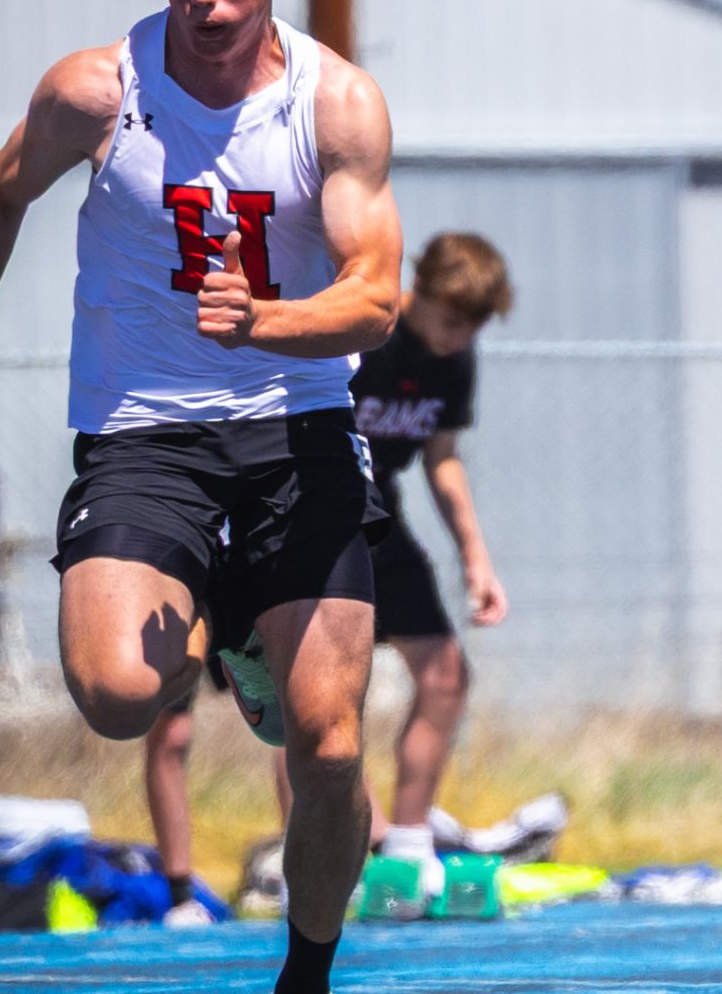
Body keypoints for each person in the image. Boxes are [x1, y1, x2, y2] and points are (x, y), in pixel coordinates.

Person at [0, 0, 402, 994]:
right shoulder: (97, 91)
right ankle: (230, 637)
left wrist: (267, 323)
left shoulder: (334, 106)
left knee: (330, 746)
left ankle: (306, 983)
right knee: (116, 694)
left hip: (295, 430)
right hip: (144, 431)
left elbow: (376, 296)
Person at [143, 231, 514, 920]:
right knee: (310, 697)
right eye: (451, 322)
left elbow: (442, 457)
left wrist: (476, 558)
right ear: (418, 293)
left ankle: (407, 850)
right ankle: (305, 859)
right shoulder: (361, 331)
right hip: (310, 507)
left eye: (471, 330)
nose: (459, 340)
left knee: (445, 675)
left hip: (381, 516)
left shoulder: (454, 359)